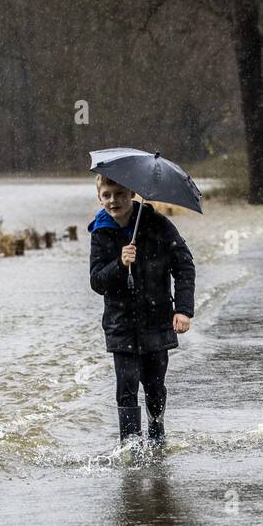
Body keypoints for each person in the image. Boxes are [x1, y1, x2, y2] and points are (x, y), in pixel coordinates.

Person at [88, 175, 196, 443]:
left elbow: (184, 266)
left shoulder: (158, 225)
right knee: (126, 386)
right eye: (107, 195)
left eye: (121, 193)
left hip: (157, 319)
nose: (114, 201)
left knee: (154, 385)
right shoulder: (100, 233)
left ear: (133, 193)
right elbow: (97, 281)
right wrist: (119, 263)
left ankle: (157, 436)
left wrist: (183, 310)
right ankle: (130, 444)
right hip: (120, 323)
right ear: (100, 197)